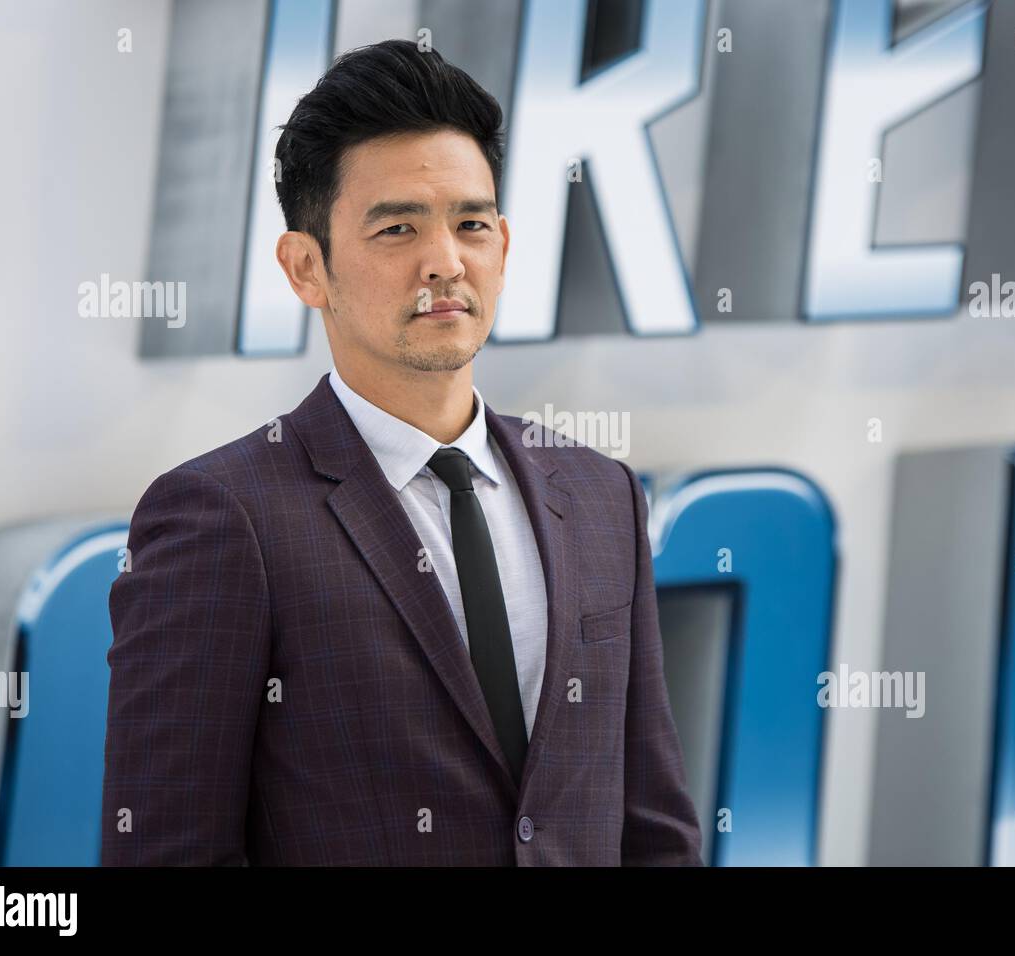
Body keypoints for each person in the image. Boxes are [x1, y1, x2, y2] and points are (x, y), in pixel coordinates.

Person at [101, 39, 703, 866]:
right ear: (306, 268)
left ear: (504, 244)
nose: (446, 263)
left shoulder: (600, 494)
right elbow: (166, 851)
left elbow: (653, 825)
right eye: (397, 228)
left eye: (471, 224)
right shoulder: (221, 515)